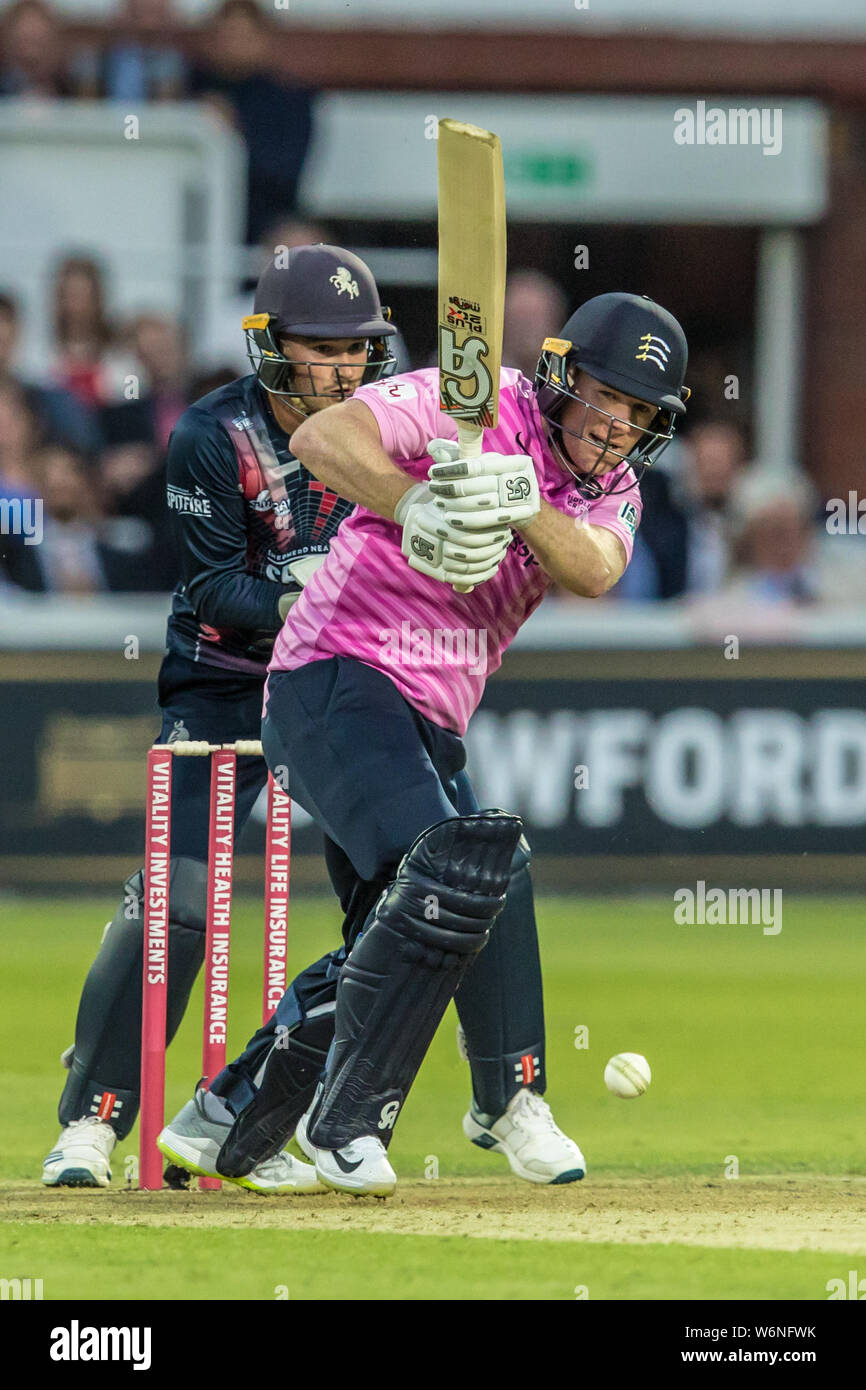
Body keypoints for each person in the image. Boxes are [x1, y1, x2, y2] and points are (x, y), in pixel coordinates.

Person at [158, 291, 689, 1197]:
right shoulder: (471, 398)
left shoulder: (611, 491)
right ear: (564, 378)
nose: (617, 428)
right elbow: (324, 440)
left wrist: (513, 497)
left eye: (640, 415)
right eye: (607, 398)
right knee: (454, 876)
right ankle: (372, 1120)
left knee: (433, 907)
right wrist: (415, 503)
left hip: (432, 717)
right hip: (333, 674)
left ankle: (225, 1117)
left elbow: (594, 569)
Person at [41, 245, 397, 1191]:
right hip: (221, 688)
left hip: (337, 690)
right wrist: (305, 596)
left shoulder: (390, 429)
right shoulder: (213, 432)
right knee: (182, 903)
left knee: (396, 909)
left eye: (356, 348)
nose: (342, 369)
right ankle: (92, 1121)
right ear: (272, 345)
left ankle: (253, 1120)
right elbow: (209, 587)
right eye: (319, 348)